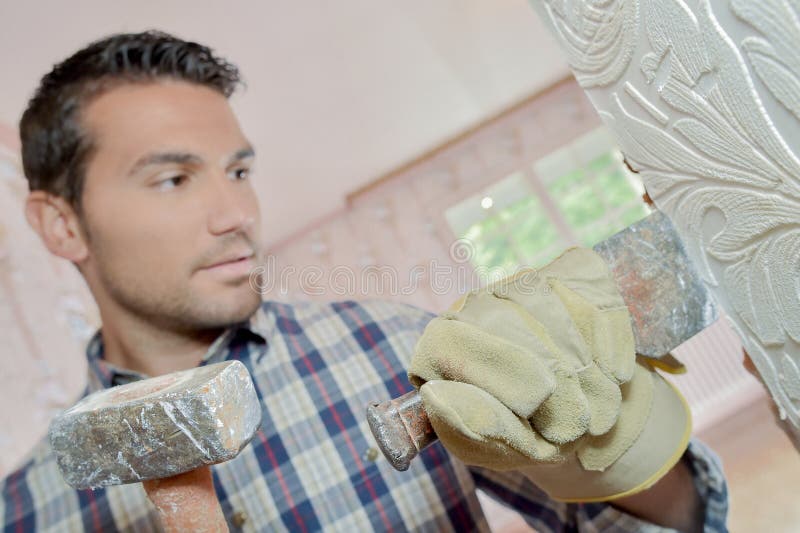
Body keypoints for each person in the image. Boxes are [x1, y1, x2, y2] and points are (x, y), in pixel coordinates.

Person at [0, 31, 728, 532]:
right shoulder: (27, 511)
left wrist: (616, 445)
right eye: (173, 177)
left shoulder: (399, 346)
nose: (237, 214)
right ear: (60, 224)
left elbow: (676, 523)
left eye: (240, 171)